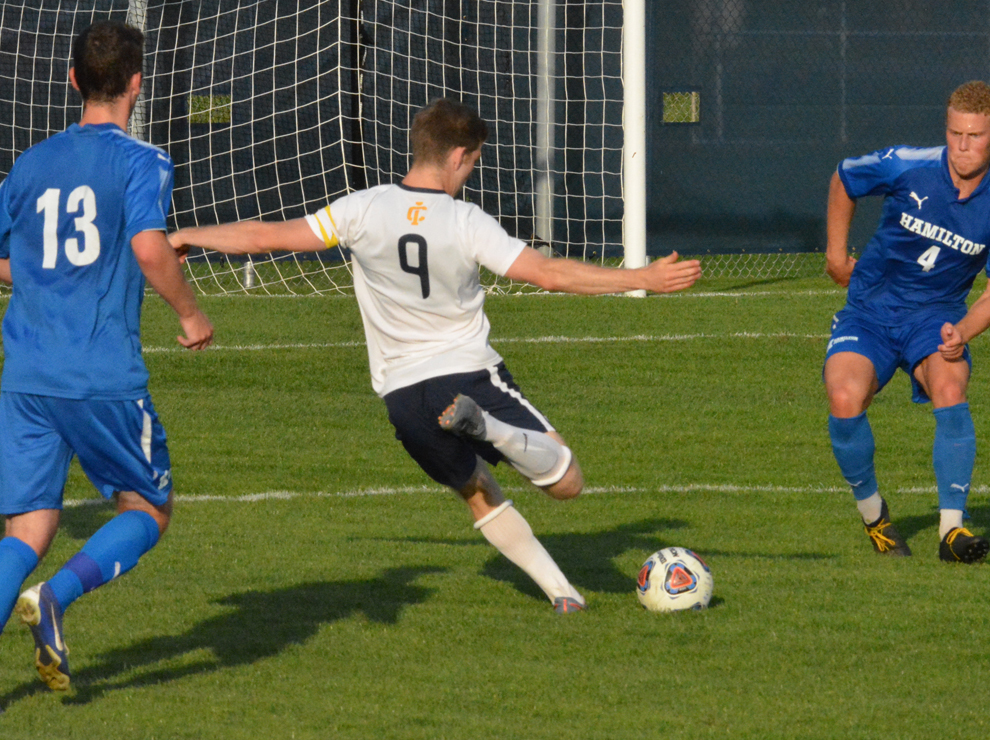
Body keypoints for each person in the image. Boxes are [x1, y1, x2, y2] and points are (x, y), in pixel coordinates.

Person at [169, 98, 701, 613]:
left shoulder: (363, 208)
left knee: (478, 491)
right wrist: (642, 278)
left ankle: (563, 593)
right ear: (456, 156)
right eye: (473, 161)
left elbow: (265, 237)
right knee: (567, 481)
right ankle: (490, 430)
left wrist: (193, 234)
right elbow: (548, 272)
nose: (471, 172)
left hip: (402, 396)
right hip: (467, 375)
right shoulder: (465, 220)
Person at [0, 21, 213, 691]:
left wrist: (45, 277)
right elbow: (151, 249)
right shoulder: (140, 160)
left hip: (27, 375)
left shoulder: (30, 163)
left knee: (27, 529)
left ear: (70, 82)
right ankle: (57, 597)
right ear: (137, 84)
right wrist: (191, 312)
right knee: (148, 509)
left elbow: (8, 261)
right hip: (100, 376)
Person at [825, 80, 990, 564]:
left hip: (935, 317)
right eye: (955, 133)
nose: (962, 146)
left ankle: (951, 532)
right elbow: (844, 178)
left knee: (951, 386)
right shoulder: (909, 163)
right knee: (844, 397)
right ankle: (875, 517)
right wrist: (836, 255)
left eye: (976, 136)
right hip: (870, 310)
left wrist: (963, 332)